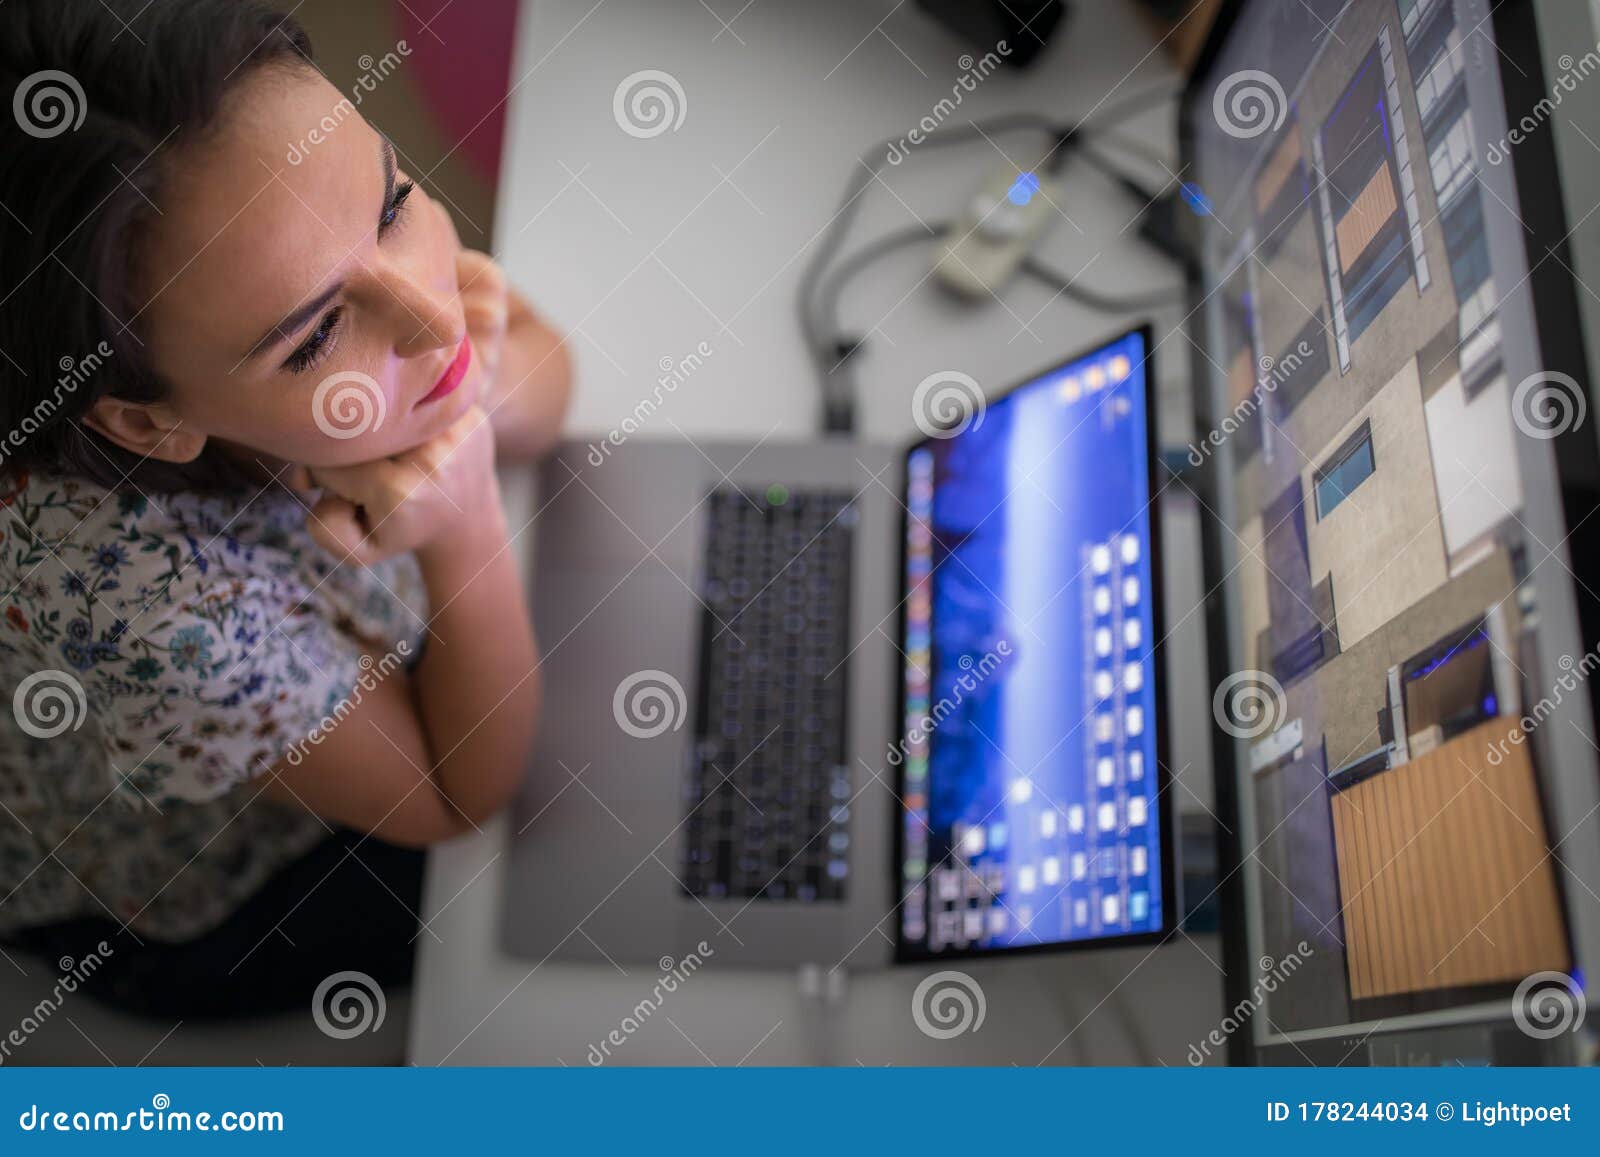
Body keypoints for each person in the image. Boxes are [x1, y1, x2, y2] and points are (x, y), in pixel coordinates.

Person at [0, 0, 571, 1019]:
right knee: (502, 909)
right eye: (314, 339)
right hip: (207, 892)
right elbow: (454, 795)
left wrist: (467, 403)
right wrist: (471, 519)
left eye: (395, 201)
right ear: (146, 420)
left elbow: (542, 368)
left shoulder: (327, 244)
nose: (433, 318)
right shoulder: (159, 620)